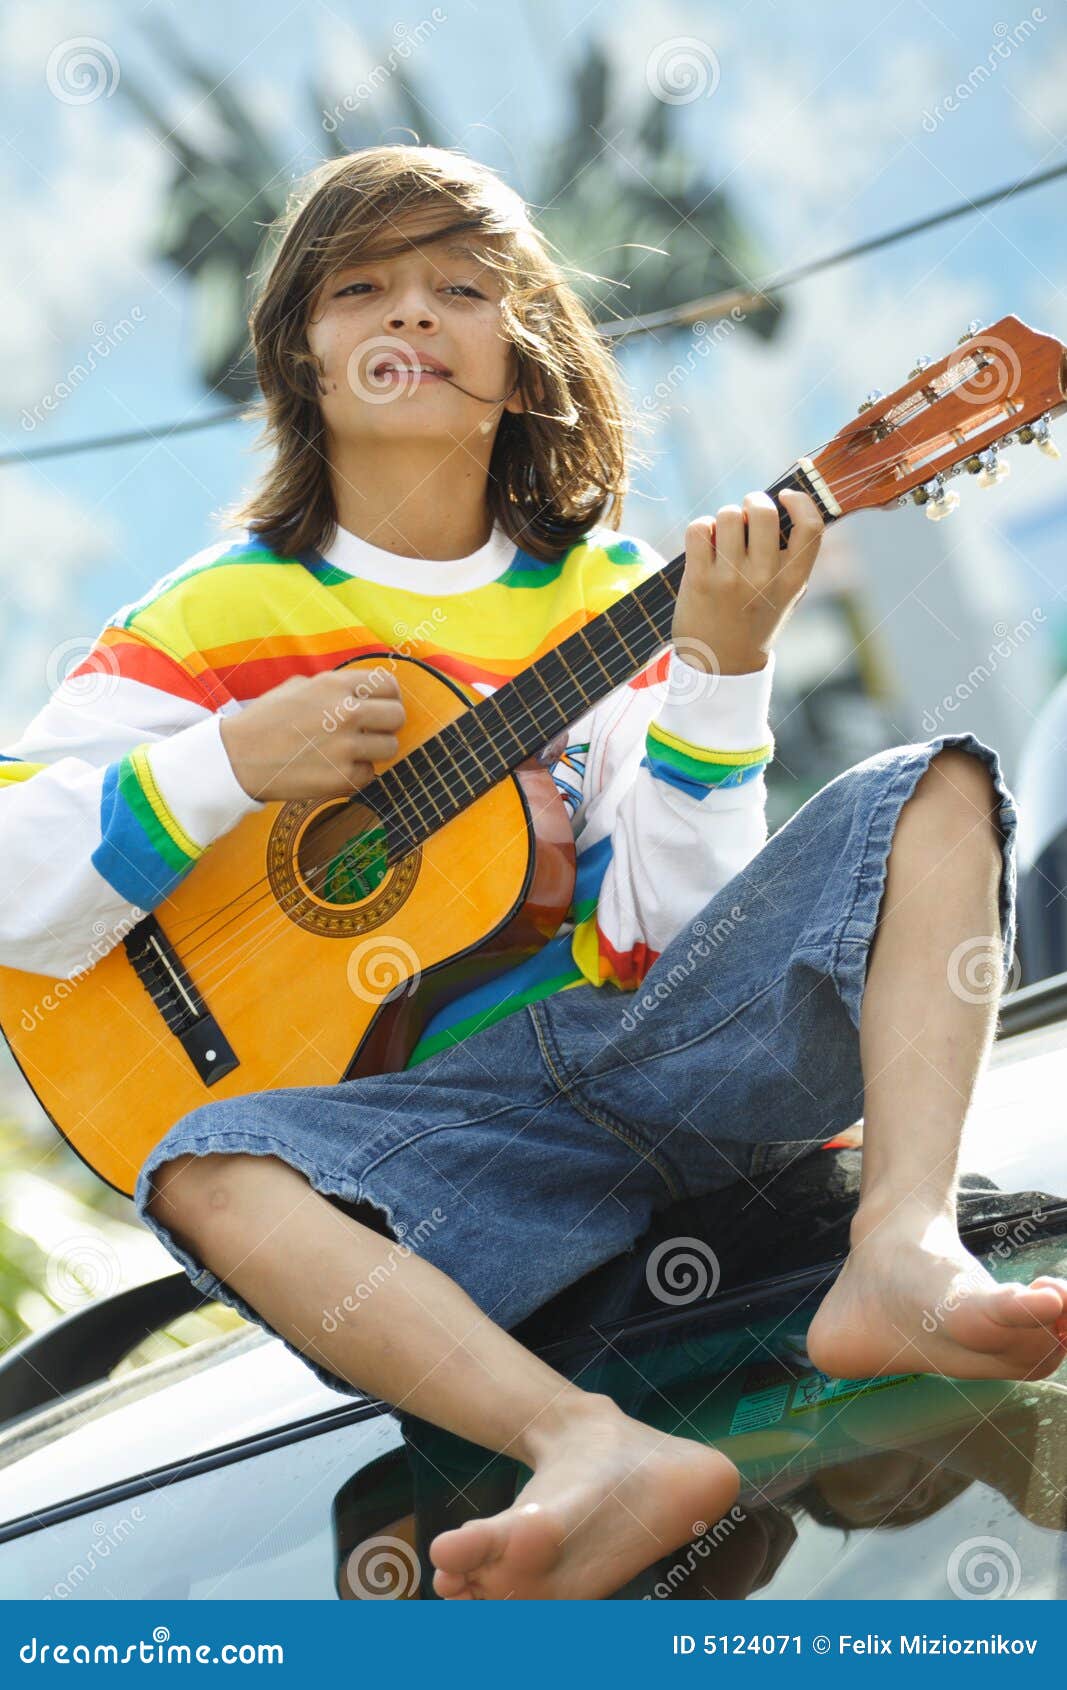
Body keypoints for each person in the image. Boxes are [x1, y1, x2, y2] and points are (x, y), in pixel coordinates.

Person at [2, 143, 1066, 1603]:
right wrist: (226, 764)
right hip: (445, 1159)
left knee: (942, 787)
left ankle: (903, 1248)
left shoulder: (608, 595)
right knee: (204, 1171)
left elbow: (683, 933)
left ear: (528, 352)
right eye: (361, 289)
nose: (411, 318)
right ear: (299, 355)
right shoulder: (207, 623)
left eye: (462, 287)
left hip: (647, 1067)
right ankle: (582, 1444)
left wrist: (721, 674)